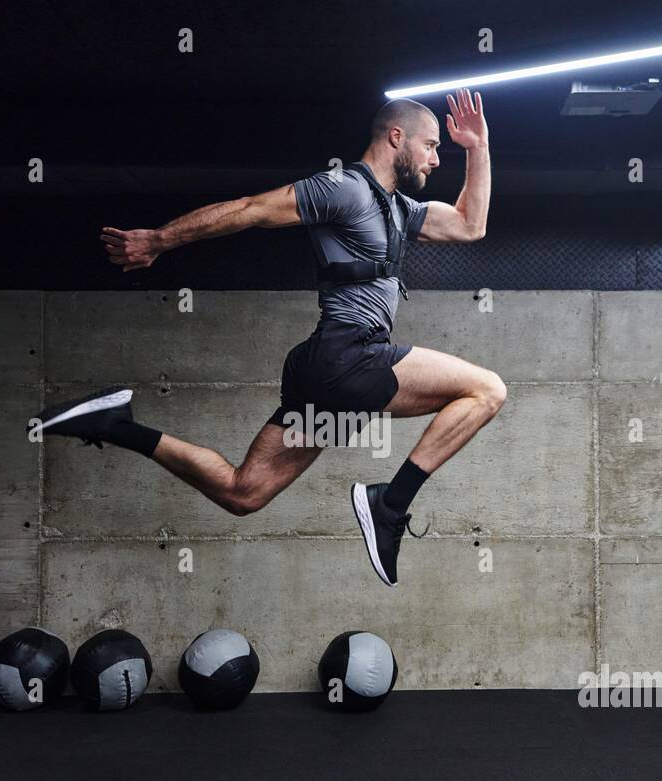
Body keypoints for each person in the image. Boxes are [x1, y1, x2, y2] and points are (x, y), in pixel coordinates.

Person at [34, 88, 500, 586]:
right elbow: (250, 208)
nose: (434, 159)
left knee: (244, 493)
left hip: (327, 379)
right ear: (395, 137)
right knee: (486, 390)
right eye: (431, 146)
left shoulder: (398, 209)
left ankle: (115, 425)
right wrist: (159, 240)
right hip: (347, 357)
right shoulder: (343, 188)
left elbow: (471, 226)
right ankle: (389, 503)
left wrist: (478, 147)